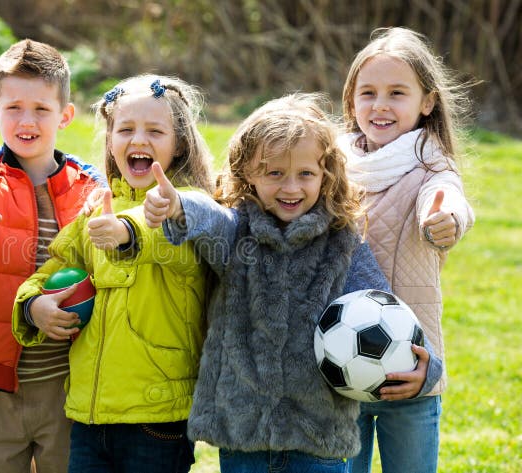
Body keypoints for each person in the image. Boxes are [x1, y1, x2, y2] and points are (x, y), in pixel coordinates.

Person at [143, 93, 442, 473]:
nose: (290, 188)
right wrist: (179, 206)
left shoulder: (342, 244)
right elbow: (208, 218)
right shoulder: (238, 235)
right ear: (247, 174)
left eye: (305, 174)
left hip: (318, 439)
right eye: (274, 174)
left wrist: (427, 365)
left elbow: (385, 310)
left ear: (326, 175)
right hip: (242, 437)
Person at [11, 74, 215, 473]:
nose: (138, 139)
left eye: (155, 130)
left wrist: (127, 230)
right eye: (125, 129)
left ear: (181, 143)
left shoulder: (191, 205)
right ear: (110, 141)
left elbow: (170, 238)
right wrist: (33, 304)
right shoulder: (96, 208)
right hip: (89, 416)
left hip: (156, 419)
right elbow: (57, 264)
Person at [0, 39, 106, 473]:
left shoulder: (88, 188)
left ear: (65, 116)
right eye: (13, 107)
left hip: (67, 381)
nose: (26, 120)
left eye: (41, 109)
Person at [338, 27, 475, 473]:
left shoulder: (432, 166)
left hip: (412, 369)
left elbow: (449, 200)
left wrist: (445, 220)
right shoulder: (331, 166)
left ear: (427, 102)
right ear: (351, 100)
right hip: (339, 370)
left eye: (397, 93)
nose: (380, 105)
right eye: (368, 93)